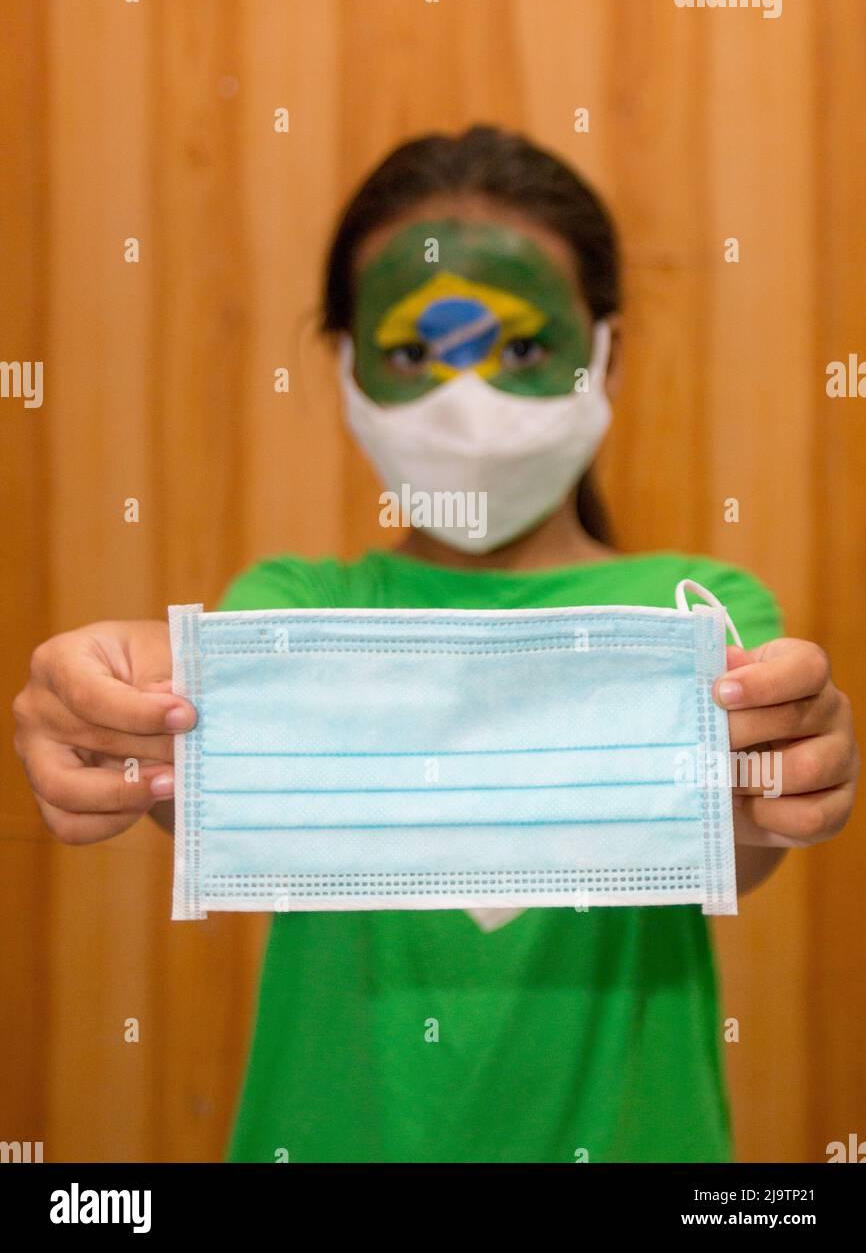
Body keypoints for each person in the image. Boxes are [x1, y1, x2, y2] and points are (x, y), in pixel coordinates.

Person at [13, 126, 859, 1163]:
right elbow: (201, 771)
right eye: (414, 352)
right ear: (346, 364)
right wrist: (115, 711)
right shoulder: (289, 608)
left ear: (605, 353)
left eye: (518, 349)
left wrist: (788, 766)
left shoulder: (696, 615)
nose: (467, 399)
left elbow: (740, 834)